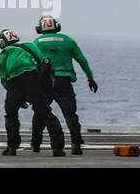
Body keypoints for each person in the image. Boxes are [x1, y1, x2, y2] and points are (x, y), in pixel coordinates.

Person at [30, 15, 98, 155]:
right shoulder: (68, 40)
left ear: (40, 28)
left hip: (44, 83)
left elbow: (30, 64)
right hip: (64, 81)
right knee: (70, 114)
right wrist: (90, 78)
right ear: (57, 26)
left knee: (40, 113)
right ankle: (76, 144)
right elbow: (82, 60)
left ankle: (36, 143)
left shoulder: (36, 43)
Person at [0, 28, 65, 157]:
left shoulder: (5, 52)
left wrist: (17, 97)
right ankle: (57, 148)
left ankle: (12, 147)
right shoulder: (29, 45)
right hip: (32, 80)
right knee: (44, 111)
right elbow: (43, 60)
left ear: (2, 42)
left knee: (11, 114)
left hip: (14, 82)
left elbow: (3, 77)